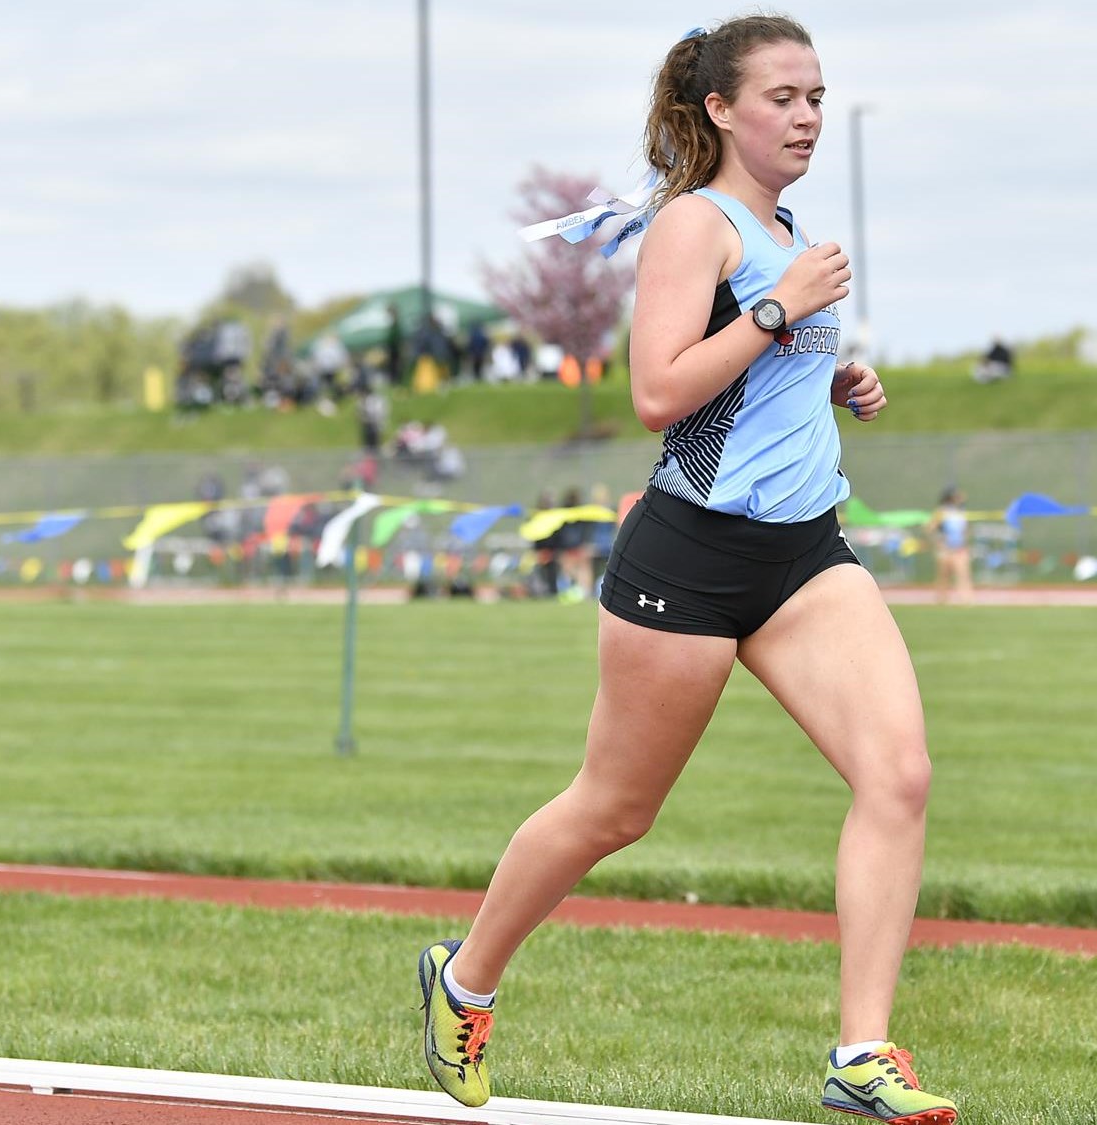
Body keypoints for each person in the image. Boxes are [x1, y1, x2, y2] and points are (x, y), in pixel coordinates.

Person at [415, 17, 956, 1124]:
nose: (806, 116)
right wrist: (780, 309)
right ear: (718, 110)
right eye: (782, 97)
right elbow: (658, 395)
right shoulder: (692, 228)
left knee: (896, 776)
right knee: (614, 809)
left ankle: (861, 1055)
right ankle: (462, 981)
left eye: (815, 95)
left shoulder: (783, 228)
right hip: (692, 557)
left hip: (804, 550)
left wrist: (827, 370)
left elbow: (749, 374)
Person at [926, 487, 972, 606]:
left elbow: (965, 530)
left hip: (959, 549)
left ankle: (966, 600)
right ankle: (941, 600)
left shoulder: (961, 512)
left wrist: (965, 540)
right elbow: (930, 528)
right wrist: (939, 542)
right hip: (946, 550)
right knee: (944, 577)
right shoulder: (942, 512)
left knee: (963, 575)